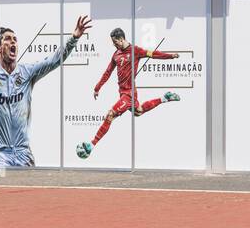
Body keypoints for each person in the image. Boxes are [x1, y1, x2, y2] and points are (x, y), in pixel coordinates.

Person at [0, 9, 92, 168]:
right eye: (8, 39)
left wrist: (74, 38)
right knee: (1, 188)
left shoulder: (27, 72)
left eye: (15, 39)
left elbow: (54, 60)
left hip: (23, 152)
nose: (13, 42)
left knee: (27, 192)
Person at [77, 28, 180, 160]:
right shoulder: (116, 54)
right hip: (123, 93)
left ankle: (91, 144)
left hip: (129, 94)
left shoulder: (135, 51)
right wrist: (97, 87)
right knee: (138, 111)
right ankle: (164, 98)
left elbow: (153, 54)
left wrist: (170, 56)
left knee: (110, 115)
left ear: (121, 39)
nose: (114, 44)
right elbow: (107, 72)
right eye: (113, 43)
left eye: (115, 42)